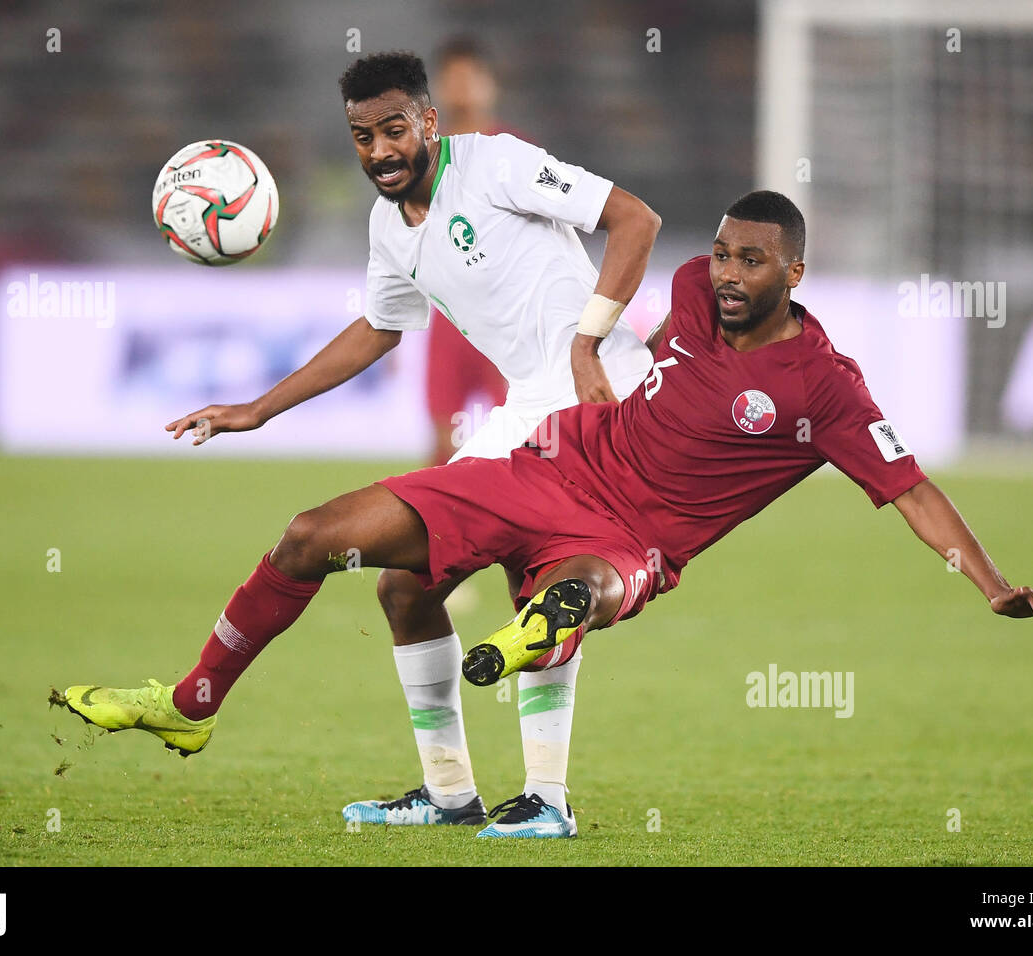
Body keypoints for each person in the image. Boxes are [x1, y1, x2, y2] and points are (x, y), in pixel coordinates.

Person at [64, 190, 1033, 839]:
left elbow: (914, 490)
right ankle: (195, 701)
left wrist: (989, 583)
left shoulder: (826, 388)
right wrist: (588, 357)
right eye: (719, 254)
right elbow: (656, 331)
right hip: (547, 464)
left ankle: (537, 669)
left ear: (792, 275)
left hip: (632, 538)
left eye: (750, 262)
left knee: (587, 586)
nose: (723, 274)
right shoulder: (685, 289)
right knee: (315, 535)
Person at [149, 51, 658, 837]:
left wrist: (588, 345)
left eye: (394, 129)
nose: (380, 151)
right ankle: (450, 793)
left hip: (601, 400)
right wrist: (258, 409)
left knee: (544, 581)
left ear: (428, 121)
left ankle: (547, 801)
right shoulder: (390, 227)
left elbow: (636, 219)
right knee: (406, 588)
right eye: (361, 136)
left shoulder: (495, 163)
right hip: (528, 407)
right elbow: (380, 329)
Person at [424, 36, 514, 466]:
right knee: (444, 447)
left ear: (489, 85)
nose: (460, 87)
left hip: (507, 321)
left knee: (518, 445)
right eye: (452, 78)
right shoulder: (420, 158)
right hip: (448, 321)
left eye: (469, 77)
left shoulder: (516, 152)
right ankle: (439, 533)